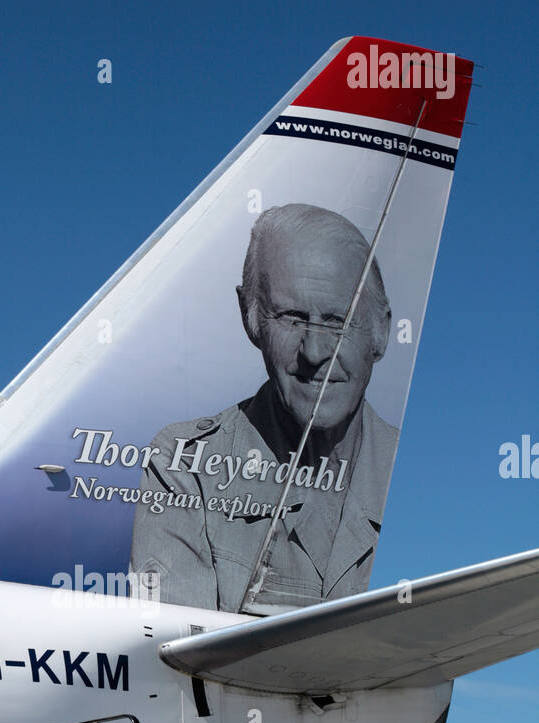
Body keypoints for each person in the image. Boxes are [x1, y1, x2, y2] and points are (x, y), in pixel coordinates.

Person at [129, 203, 398, 612]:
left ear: (381, 332)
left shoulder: (414, 475)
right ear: (250, 319)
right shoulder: (187, 465)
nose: (315, 350)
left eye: (338, 321)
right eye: (292, 317)